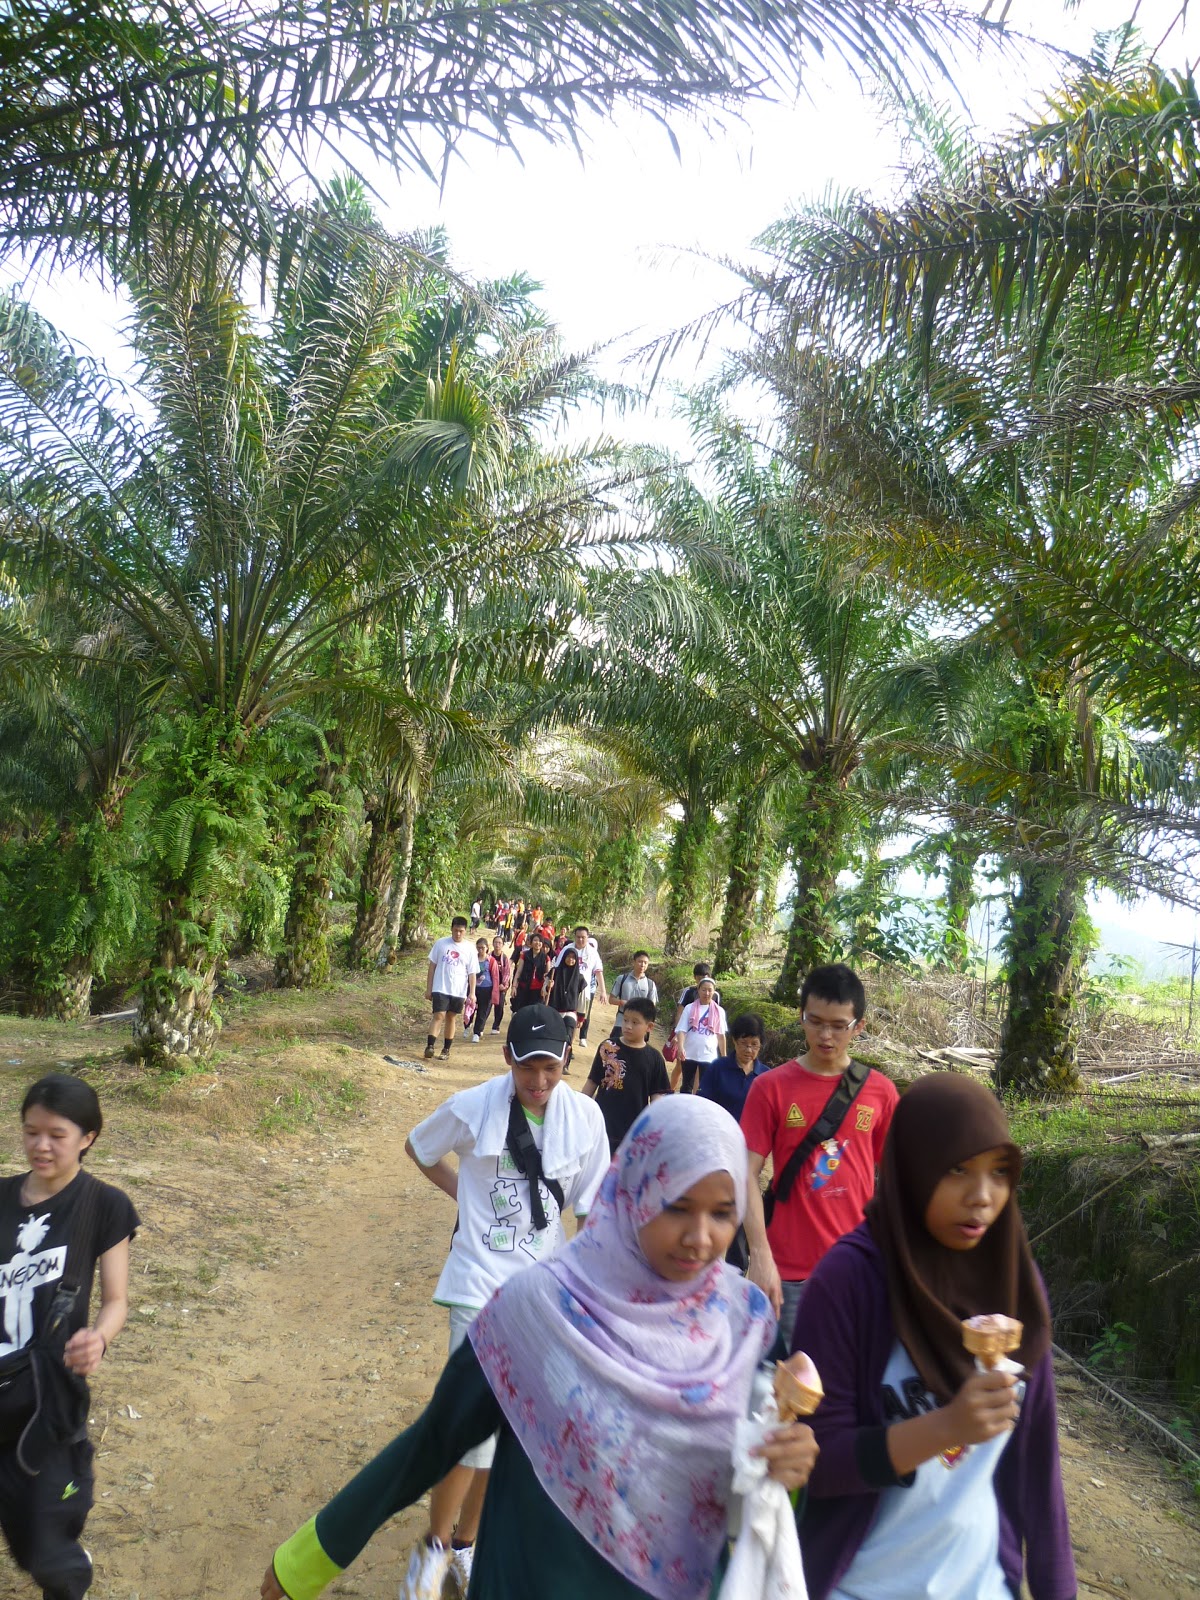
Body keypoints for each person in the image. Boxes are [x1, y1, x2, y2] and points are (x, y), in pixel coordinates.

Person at [260, 1096, 820, 1600]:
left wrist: (788, 1470)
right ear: (633, 1192)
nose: (701, 1237)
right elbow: (432, 1443)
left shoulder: (745, 1325)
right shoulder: (536, 1312)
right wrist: (307, 1560)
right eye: (676, 1206)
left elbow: (752, 1487)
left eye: (722, 1213)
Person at [792, 1072, 1075, 1600]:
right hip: (858, 1585)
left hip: (982, 1584)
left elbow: (1038, 1463)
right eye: (957, 1170)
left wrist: (1059, 1589)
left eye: (999, 1172)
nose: (982, 1197)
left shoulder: (1014, 1281)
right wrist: (946, 1425)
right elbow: (819, 1463)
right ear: (914, 1169)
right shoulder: (851, 1280)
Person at [391, 1005, 609, 1600]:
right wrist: (463, 1195)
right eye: (527, 1068)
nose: (539, 1082)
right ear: (508, 1059)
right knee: (470, 1429)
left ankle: (467, 1542)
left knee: (513, 1428)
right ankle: (433, 1548)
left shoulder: (585, 1119)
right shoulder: (475, 1106)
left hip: (542, 1293)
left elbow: (591, 1209)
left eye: (551, 1068)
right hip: (478, 1283)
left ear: (566, 1060)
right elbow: (420, 1145)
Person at [0, 1074, 139, 1600]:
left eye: (56, 1134)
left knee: (48, 1552)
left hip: (49, 1397)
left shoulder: (104, 1206)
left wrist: (97, 1340)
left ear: (88, 1137)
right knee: (19, 1526)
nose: (41, 1145)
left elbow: (116, 1301)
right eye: (31, 1132)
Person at [740, 962, 899, 1354]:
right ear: (802, 1017)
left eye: (839, 1025)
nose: (826, 1035)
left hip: (856, 1274)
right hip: (787, 1273)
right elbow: (745, 1172)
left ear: (858, 1026)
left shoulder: (880, 1092)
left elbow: (897, 1182)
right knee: (788, 1394)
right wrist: (759, 1256)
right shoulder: (769, 1088)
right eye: (815, 1022)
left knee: (846, 1396)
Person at [582, 997, 670, 1155]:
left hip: (633, 1130)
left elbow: (657, 1096)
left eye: (635, 1022)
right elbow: (592, 1081)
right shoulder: (608, 1047)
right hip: (601, 1123)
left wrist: (654, 1127)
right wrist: (579, 1109)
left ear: (649, 1026)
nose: (628, 1026)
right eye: (626, 1020)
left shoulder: (654, 1058)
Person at [698, 1012, 771, 1122]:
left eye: (754, 1044)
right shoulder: (718, 1068)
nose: (749, 1050)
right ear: (734, 1041)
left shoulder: (767, 1076)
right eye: (743, 1043)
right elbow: (702, 1103)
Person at [425, 917, 480, 1061]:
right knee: (439, 1015)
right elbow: (432, 967)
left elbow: (472, 972)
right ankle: (430, 1046)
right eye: (456, 930)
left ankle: (446, 1049)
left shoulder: (470, 949)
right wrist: (429, 988)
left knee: (451, 1017)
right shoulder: (441, 944)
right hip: (440, 986)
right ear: (451, 929)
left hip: (458, 990)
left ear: (466, 931)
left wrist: (472, 993)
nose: (458, 934)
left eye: (461, 931)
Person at [670, 975, 727, 1096]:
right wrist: (680, 1047)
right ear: (698, 990)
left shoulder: (719, 1011)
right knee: (686, 1085)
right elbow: (682, 1030)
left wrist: (724, 1057)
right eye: (704, 989)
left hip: (708, 1055)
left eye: (710, 990)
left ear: (714, 992)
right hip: (689, 1053)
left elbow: (721, 1036)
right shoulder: (689, 1008)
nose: (707, 993)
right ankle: (684, 1109)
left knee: (703, 1086)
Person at [553, 925, 606, 1045]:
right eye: (578, 937)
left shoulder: (592, 953)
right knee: (562, 1015)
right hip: (565, 987)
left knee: (577, 1018)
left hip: (583, 989)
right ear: (574, 937)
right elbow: (557, 967)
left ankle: (571, 1043)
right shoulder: (567, 949)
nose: (580, 940)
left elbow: (598, 971)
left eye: (583, 937)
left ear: (587, 937)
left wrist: (603, 991)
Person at [546, 944, 588, 1065]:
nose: (571, 960)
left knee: (568, 1038)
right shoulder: (554, 972)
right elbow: (544, 992)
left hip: (570, 1012)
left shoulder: (580, 979)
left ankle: (564, 1064)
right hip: (554, 1010)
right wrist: (549, 986)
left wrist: (581, 1017)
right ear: (564, 957)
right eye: (568, 957)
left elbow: (582, 999)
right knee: (553, 1037)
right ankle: (551, 1062)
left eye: (573, 958)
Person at [607, 951, 658, 1039]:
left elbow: (652, 1006)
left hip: (640, 1024)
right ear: (633, 962)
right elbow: (611, 1000)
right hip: (621, 1021)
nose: (642, 965)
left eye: (645, 963)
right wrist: (622, 1002)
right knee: (615, 1047)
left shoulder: (650, 984)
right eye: (640, 961)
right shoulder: (622, 979)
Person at [670, 962, 722, 1034]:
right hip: (686, 1028)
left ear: (710, 977)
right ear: (695, 977)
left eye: (704, 978)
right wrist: (677, 1031)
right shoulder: (688, 991)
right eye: (699, 979)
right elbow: (680, 1012)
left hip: (704, 1031)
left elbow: (716, 1015)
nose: (701, 981)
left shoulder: (715, 995)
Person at [470, 938, 500, 1043]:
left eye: (482, 948)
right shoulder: (473, 959)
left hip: (486, 989)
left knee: (482, 1011)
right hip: (474, 988)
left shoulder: (491, 961)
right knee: (470, 1008)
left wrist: (495, 992)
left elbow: (495, 977)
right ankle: (468, 1024)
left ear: (487, 948)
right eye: (478, 948)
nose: (480, 950)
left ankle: (477, 1032)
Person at [510, 931, 549, 1010]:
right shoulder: (524, 955)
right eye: (535, 940)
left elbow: (547, 975)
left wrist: (545, 988)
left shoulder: (546, 958)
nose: (537, 943)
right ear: (531, 942)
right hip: (523, 987)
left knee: (533, 1012)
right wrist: (514, 986)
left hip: (538, 991)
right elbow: (519, 972)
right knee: (520, 1010)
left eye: (540, 941)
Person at [483, 936, 511, 1037]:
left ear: (502, 945)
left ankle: (496, 1026)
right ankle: (481, 1026)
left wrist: (503, 984)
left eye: (499, 943)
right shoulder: (488, 956)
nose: (497, 945)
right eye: (496, 942)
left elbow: (507, 972)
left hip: (500, 986)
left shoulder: (504, 958)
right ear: (493, 944)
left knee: (499, 1007)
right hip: (489, 985)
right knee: (487, 1005)